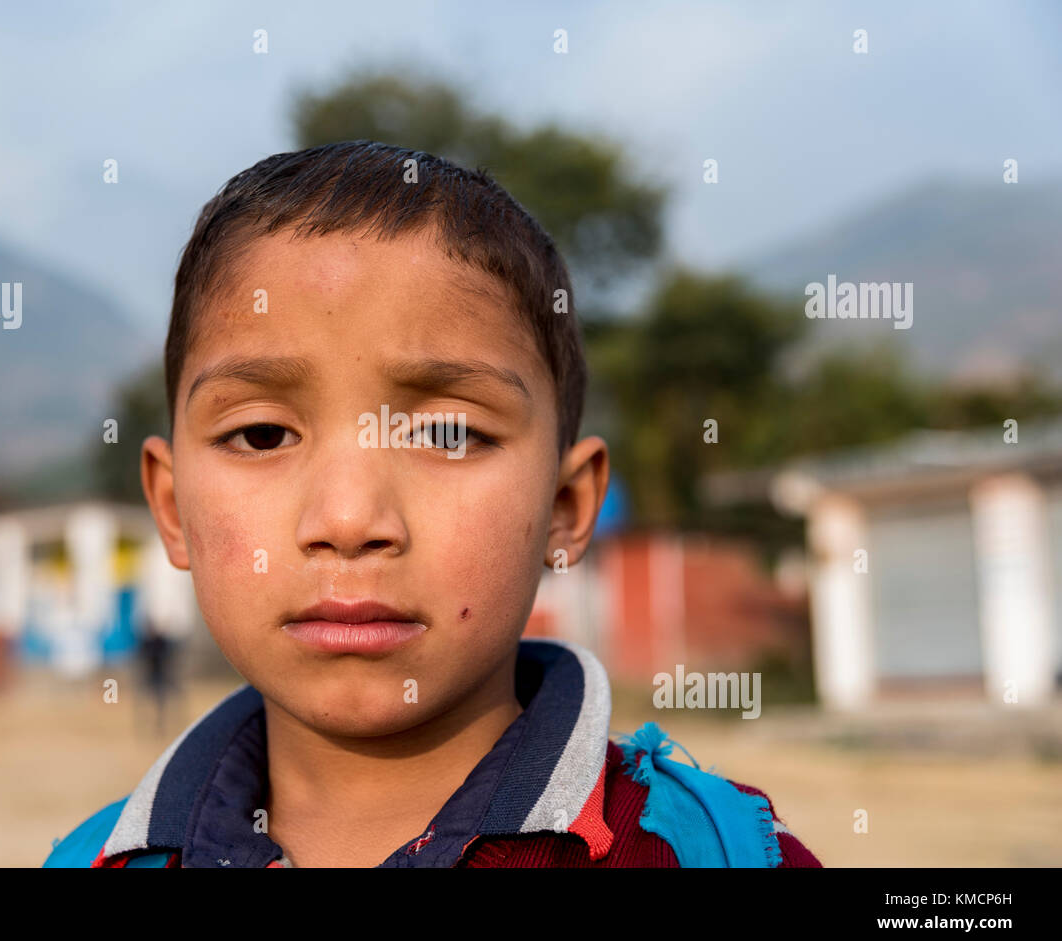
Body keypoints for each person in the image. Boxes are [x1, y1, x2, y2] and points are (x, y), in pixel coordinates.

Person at [43, 141, 821, 868]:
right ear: (173, 508)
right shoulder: (96, 859)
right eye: (262, 433)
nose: (348, 521)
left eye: (449, 432)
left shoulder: (711, 852)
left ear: (565, 505)